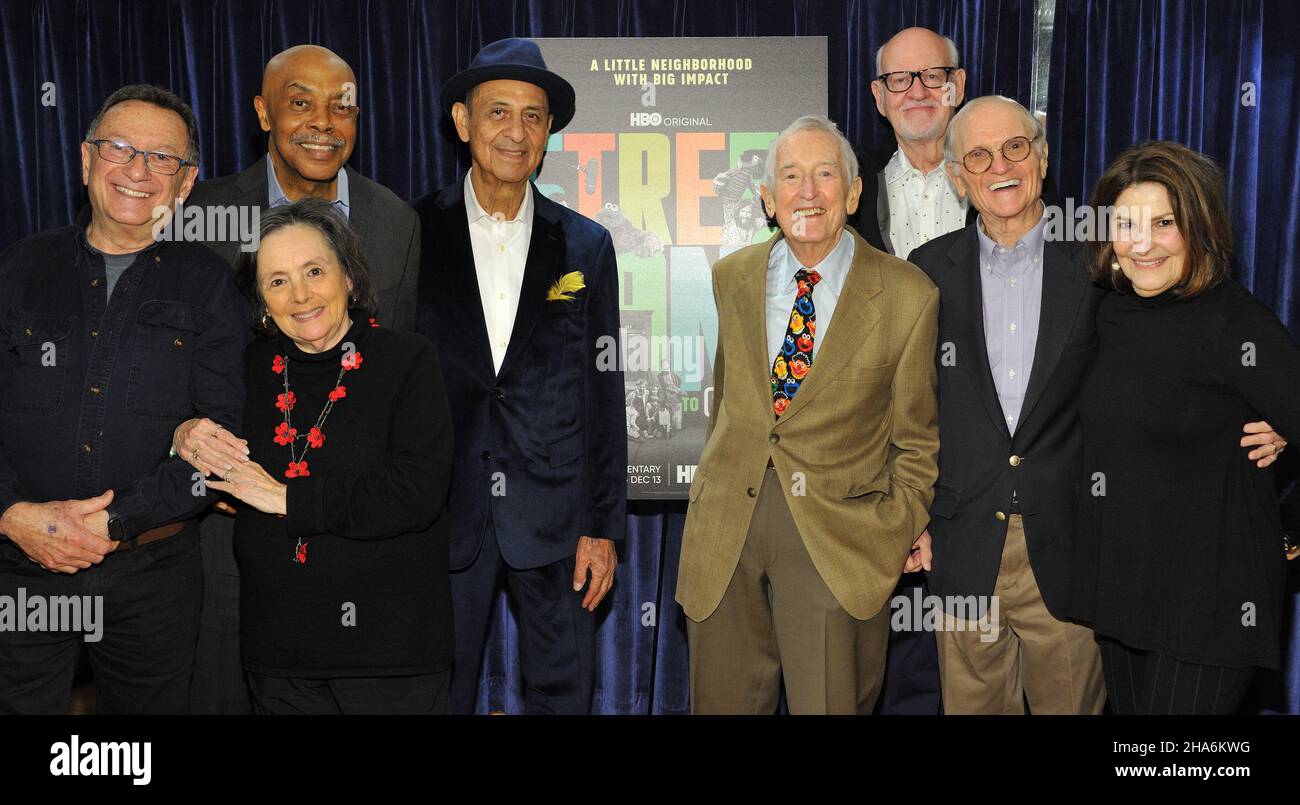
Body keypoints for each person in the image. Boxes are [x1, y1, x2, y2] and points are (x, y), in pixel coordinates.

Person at [909, 99, 1286, 714]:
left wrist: (1277, 434)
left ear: (1043, 156)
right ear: (955, 176)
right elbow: (908, 413)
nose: (999, 165)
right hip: (962, 543)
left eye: (1016, 147)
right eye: (977, 155)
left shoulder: (1100, 264)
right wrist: (911, 516)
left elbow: (1194, 346)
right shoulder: (924, 273)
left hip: (1077, 549)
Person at [184, 44, 422, 714]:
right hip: (231, 540)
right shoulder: (200, 217)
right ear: (263, 112)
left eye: (341, 105)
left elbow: (390, 381)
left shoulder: (395, 223)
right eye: (300, 102)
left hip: (356, 541)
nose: (324, 121)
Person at [676, 114, 940, 714]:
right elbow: (728, 405)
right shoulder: (731, 277)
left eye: (825, 175)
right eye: (790, 177)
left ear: (853, 192)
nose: (808, 191)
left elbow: (917, 443)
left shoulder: (908, 295)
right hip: (726, 537)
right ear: (767, 198)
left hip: (837, 543)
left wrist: (890, 531)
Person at [0, 85, 248, 714]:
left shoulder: (211, 287)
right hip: (19, 560)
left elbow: (222, 444)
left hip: (153, 572)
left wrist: (112, 522)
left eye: (162, 158)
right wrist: (12, 515)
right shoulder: (17, 271)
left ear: (185, 183)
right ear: (86, 162)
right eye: (118, 149)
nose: (138, 170)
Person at [172, 199, 453, 714]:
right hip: (279, 654)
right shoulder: (247, 367)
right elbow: (184, 439)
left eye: (315, 271)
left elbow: (416, 493)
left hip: (390, 654)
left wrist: (283, 498)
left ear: (349, 277)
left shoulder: (408, 360)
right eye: (276, 281)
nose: (299, 295)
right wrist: (185, 436)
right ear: (260, 300)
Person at [413, 37, 626, 714]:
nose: (516, 130)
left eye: (533, 117)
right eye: (498, 111)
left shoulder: (587, 244)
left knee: (563, 697)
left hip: (559, 521)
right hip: (442, 517)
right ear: (462, 121)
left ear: (549, 135)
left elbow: (604, 393)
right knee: (433, 693)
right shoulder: (411, 232)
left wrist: (603, 527)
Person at [1068, 141, 1300, 714]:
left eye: (1164, 223)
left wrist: (1289, 532)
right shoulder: (1108, 308)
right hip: (1123, 588)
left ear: (1200, 226)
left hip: (1212, 599)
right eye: (1126, 223)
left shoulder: (1237, 325)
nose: (1142, 244)